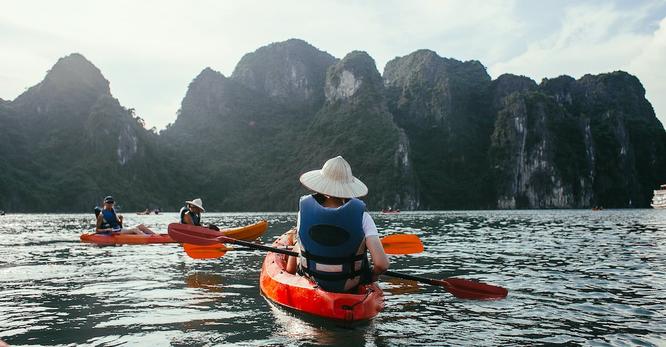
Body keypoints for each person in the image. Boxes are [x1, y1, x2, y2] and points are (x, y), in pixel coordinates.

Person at [285, 156, 390, 293]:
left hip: (312, 279)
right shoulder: (363, 217)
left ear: (322, 185)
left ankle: (288, 276)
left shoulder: (303, 213)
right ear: (348, 188)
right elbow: (382, 264)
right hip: (349, 286)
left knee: (297, 247)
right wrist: (372, 276)